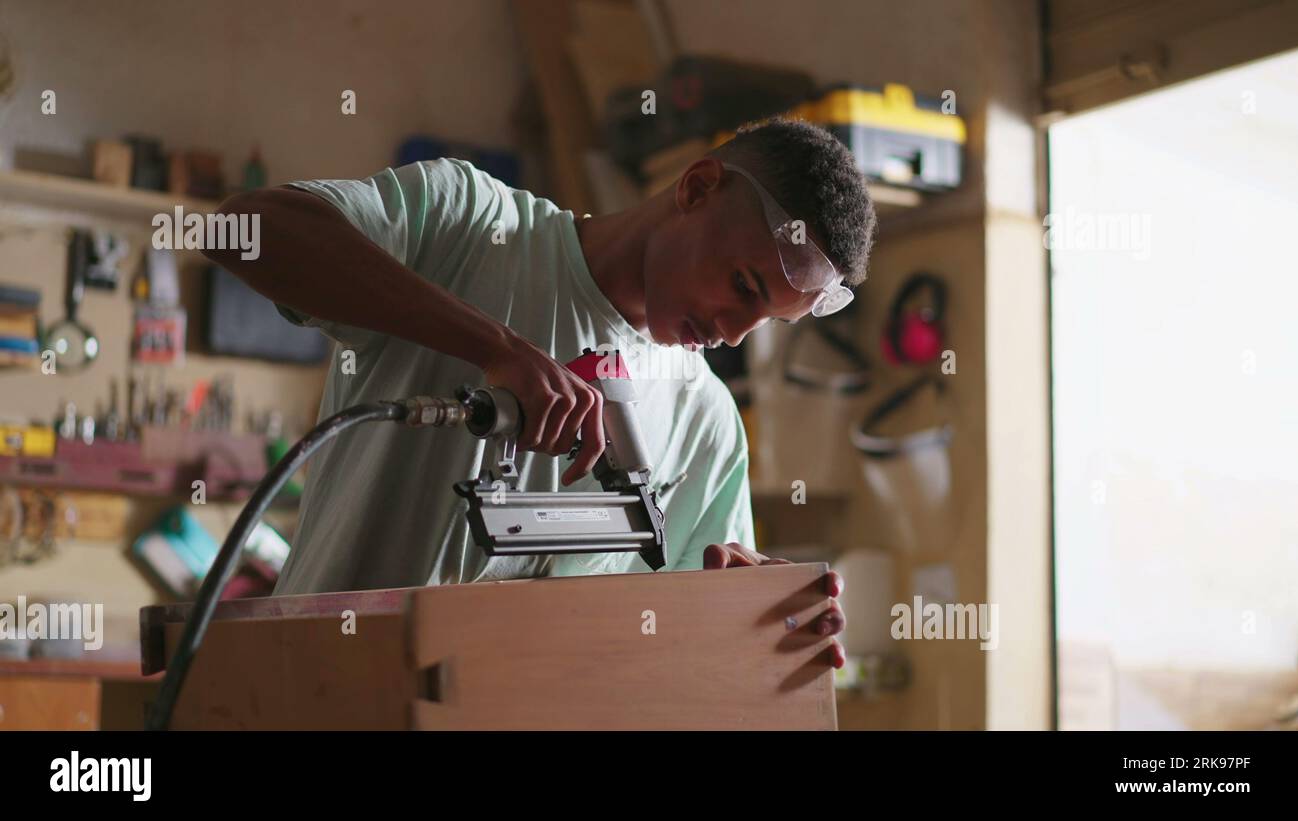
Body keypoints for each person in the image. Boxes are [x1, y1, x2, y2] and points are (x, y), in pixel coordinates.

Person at [206, 118, 876, 667]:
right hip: (310, 693)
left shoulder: (707, 424)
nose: (733, 333)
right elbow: (248, 230)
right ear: (698, 188)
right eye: (743, 286)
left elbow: (673, 664)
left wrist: (753, 623)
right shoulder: (468, 225)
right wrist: (494, 346)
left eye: (766, 321)